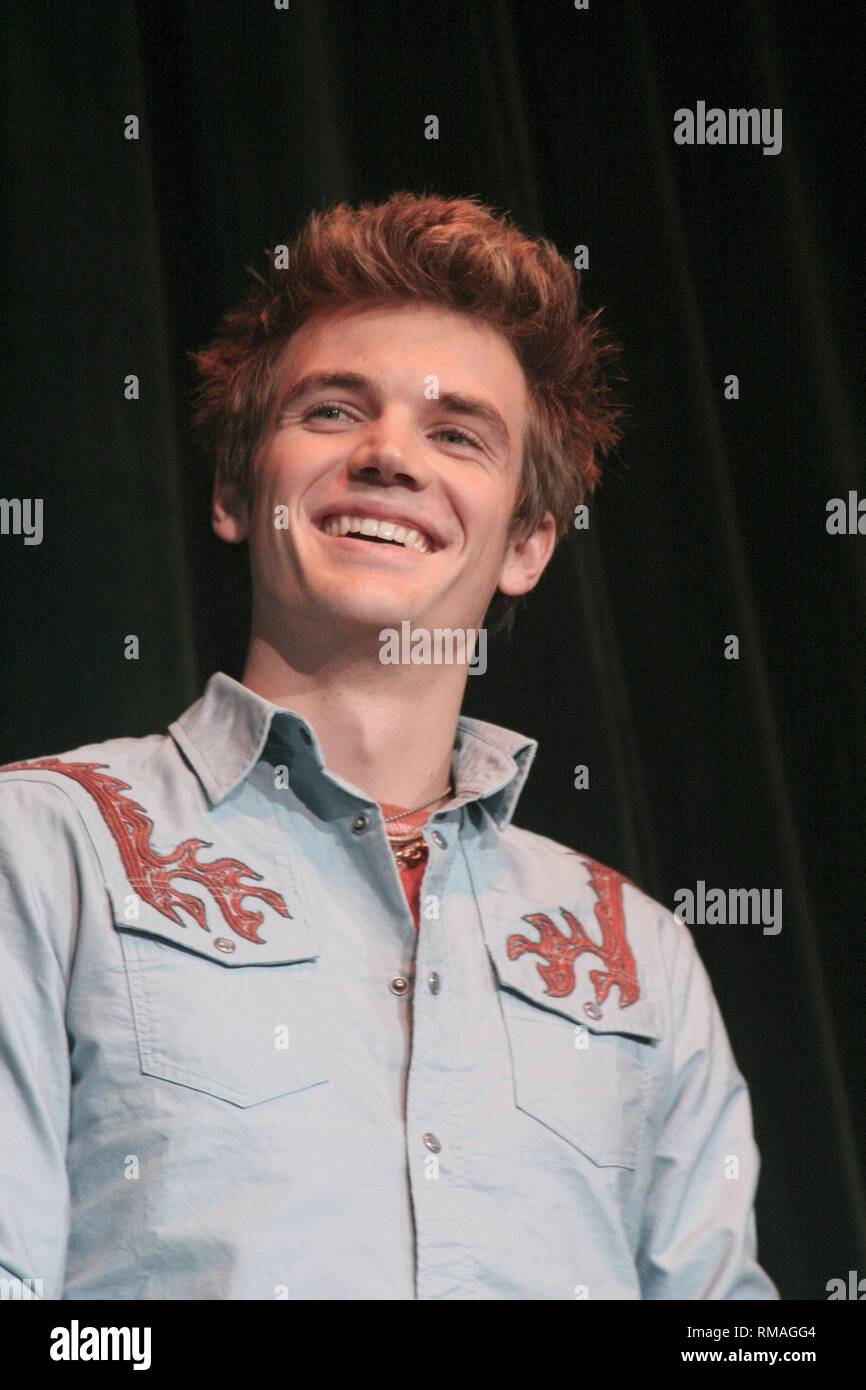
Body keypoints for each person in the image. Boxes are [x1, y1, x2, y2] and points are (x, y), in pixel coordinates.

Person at [0, 192, 778, 1300]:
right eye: (329, 411)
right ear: (234, 490)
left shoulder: (640, 957)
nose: (387, 457)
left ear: (524, 542)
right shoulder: (40, 847)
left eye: (456, 434)